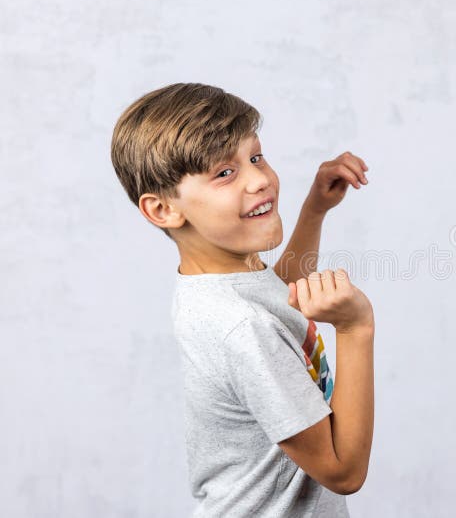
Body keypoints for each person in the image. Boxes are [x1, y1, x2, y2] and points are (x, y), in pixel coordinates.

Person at [109, 82, 375, 517]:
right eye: (224, 173)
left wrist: (314, 210)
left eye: (255, 157)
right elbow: (344, 472)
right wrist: (355, 329)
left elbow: (279, 300)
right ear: (163, 210)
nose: (260, 179)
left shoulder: (217, 281)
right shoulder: (240, 328)